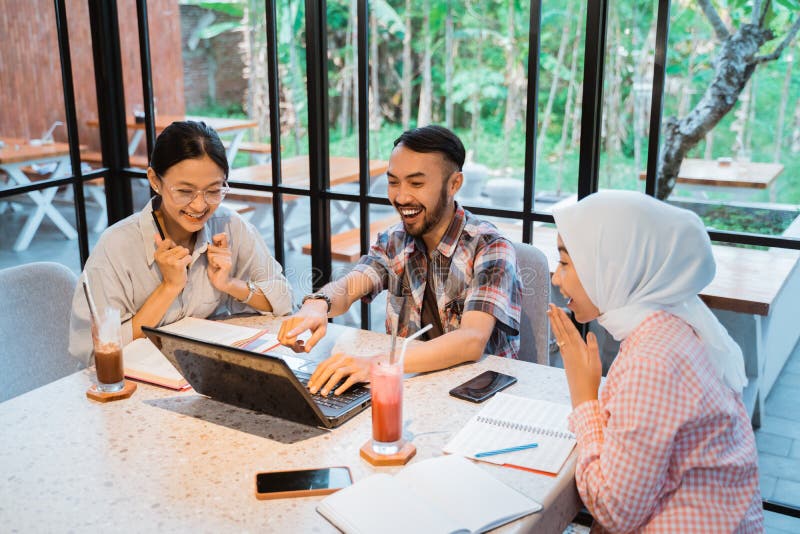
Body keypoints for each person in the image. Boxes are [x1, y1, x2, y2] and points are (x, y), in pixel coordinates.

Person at [547, 190, 762, 532]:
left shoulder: (653, 359)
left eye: (565, 263)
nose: (556, 278)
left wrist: (584, 398)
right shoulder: (667, 326)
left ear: (611, 265)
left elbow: (615, 511)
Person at [277, 125, 521, 395]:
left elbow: (471, 341)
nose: (401, 197)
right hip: (412, 386)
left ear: (454, 184)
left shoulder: (490, 247)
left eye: (416, 183)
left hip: (478, 396)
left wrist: (377, 364)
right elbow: (350, 286)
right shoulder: (394, 240)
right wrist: (317, 304)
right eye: (393, 182)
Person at [69, 120, 293, 364]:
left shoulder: (228, 224)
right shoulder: (117, 246)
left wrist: (229, 284)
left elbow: (283, 300)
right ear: (155, 181)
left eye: (213, 190)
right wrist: (169, 288)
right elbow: (96, 352)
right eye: (185, 192)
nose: (199, 205)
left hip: (203, 372)